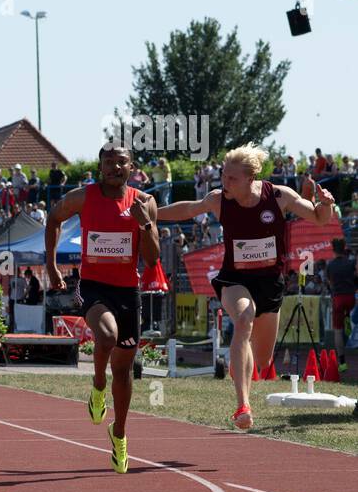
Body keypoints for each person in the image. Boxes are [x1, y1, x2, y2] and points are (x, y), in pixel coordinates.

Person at [157, 145, 335, 429]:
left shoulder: (278, 196)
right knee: (243, 319)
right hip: (234, 279)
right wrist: (152, 212)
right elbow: (189, 209)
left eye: (232, 179)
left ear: (251, 177)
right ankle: (243, 405)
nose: (224, 183)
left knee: (263, 360)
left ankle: (243, 362)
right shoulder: (219, 200)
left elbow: (319, 218)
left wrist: (325, 203)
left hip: (270, 283)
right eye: (224, 176)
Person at [46, 143, 159, 473]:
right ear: (100, 168)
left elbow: (152, 259)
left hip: (128, 290)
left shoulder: (145, 202)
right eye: (108, 163)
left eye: (120, 163)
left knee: (123, 371)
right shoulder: (83, 197)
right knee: (106, 336)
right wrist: (51, 265)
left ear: (131, 166)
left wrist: (145, 225)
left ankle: (119, 434)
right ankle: (97, 386)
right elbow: (53, 218)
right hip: (93, 286)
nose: (114, 168)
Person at [326, 238, 357, 366]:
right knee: (348, 313)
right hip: (351, 297)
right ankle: (348, 320)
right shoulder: (350, 263)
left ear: (333, 250)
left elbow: (329, 282)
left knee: (338, 330)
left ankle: (342, 362)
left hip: (338, 298)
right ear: (344, 249)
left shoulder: (330, 265)